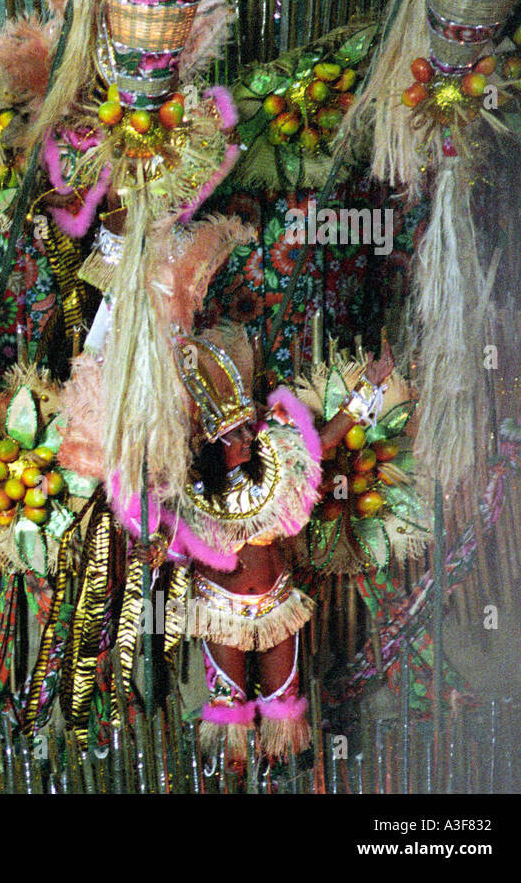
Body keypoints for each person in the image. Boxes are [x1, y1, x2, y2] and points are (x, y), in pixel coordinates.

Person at [172, 324, 392, 763]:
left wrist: (370, 384)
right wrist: (155, 550)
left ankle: (279, 778)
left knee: (283, 709)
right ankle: (235, 780)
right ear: (214, 446)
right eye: (237, 435)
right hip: (219, 610)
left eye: (246, 430)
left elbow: (326, 439)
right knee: (227, 710)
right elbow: (170, 542)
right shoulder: (191, 492)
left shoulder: (275, 459)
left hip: (277, 606)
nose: (249, 437)